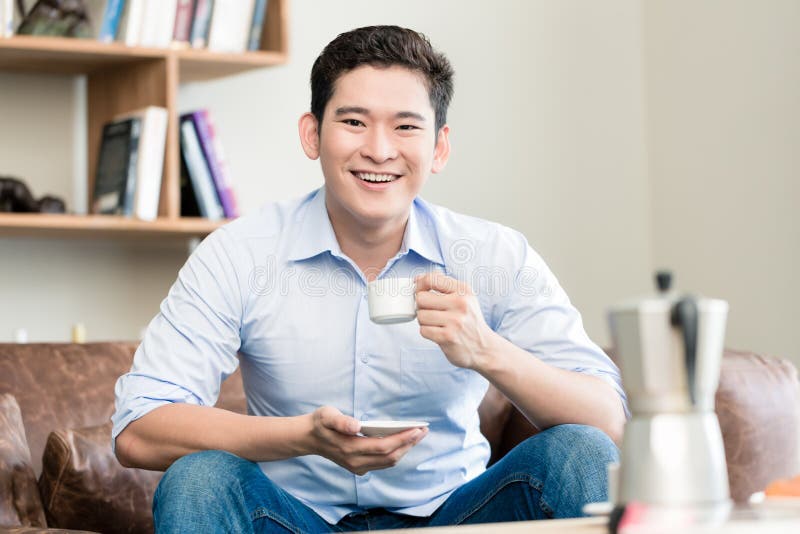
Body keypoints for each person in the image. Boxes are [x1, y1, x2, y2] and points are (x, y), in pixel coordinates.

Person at [112, 25, 627, 533]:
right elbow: (139, 429)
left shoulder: (495, 255)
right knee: (200, 478)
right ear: (312, 134)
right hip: (290, 520)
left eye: (406, 127)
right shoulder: (239, 253)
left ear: (439, 146)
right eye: (354, 122)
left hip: (454, 520)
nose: (379, 150)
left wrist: (485, 349)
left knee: (579, 453)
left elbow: (608, 421)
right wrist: (303, 437)